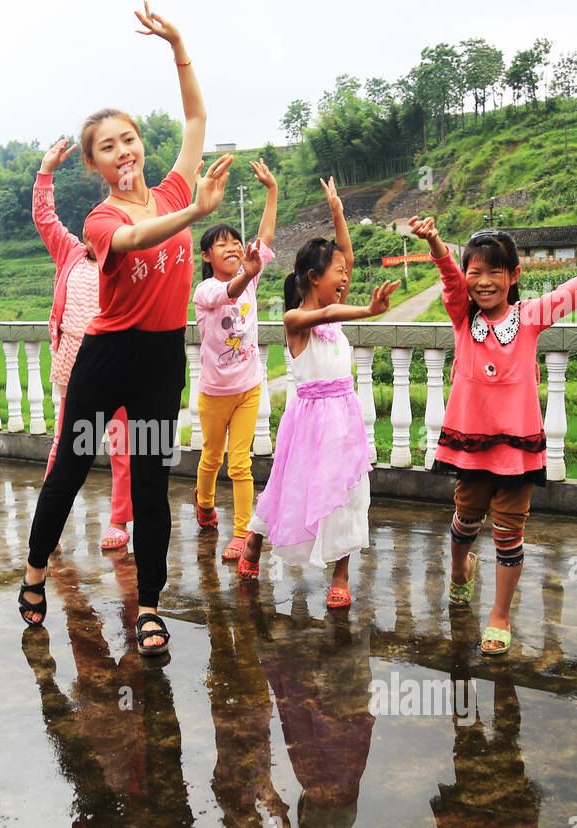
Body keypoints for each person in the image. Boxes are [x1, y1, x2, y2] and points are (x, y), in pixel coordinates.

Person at [20, 3, 234, 656]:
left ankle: (148, 606)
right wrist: (195, 212)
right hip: (107, 357)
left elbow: (196, 120)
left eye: (129, 139)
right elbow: (136, 240)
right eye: (108, 146)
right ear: (94, 163)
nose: (123, 151)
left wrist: (178, 47)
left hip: (161, 361)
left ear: (141, 143)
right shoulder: (101, 220)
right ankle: (34, 570)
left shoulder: (170, 192)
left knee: (149, 482)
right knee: (70, 466)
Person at [408, 216, 577, 654]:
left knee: (509, 531)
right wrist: (436, 245)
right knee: (466, 519)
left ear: (514, 275)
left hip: (517, 450)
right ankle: (461, 569)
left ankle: (499, 615)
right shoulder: (462, 317)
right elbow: (449, 280)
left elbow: (571, 292)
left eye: (495, 271)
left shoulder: (529, 317)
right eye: (475, 272)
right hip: (470, 446)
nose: (484, 282)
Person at [239, 183, 400, 607]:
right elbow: (325, 311)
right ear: (313, 277)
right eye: (337, 273)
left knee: (348, 492)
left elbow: (347, 259)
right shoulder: (295, 320)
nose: (345, 278)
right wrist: (369, 311)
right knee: (288, 487)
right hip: (308, 421)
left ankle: (341, 573)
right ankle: (255, 539)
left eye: (346, 273)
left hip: (345, 419)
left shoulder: (334, 316)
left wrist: (338, 212)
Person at [33, 138, 134, 551]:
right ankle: (50, 516)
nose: (97, 233)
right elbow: (45, 219)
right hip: (71, 362)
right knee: (64, 444)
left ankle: (120, 520)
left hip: (116, 363)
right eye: (93, 226)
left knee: (122, 446)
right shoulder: (70, 253)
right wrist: (46, 172)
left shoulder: (125, 259)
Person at [191, 157, 278, 562]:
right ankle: (204, 502)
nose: (233, 247)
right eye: (222, 244)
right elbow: (231, 290)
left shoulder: (250, 275)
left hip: (247, 387)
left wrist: (271, 190)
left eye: (236, 242)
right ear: (207, 256)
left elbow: (266, 235)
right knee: (211, 457)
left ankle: (242, 532)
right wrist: (246, 272)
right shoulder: (206, 291)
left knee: (240, 463)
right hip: (214, 392)